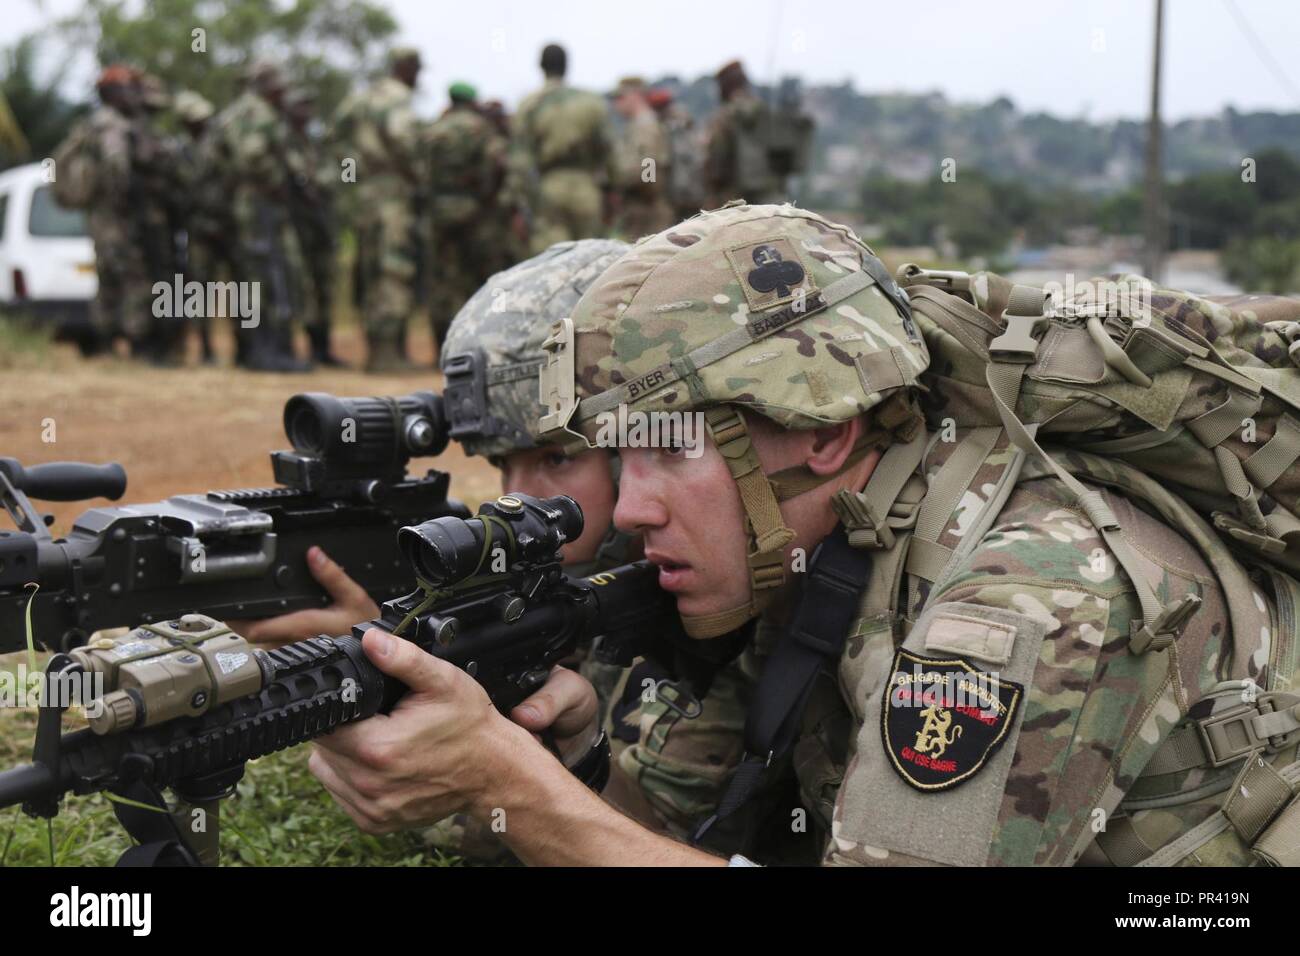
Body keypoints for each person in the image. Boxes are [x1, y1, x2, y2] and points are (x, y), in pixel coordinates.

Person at [306, 203, 1293, 867]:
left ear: (822, 429)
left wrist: (516, 793)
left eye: (669, 452)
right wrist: (574, 761)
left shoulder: (1027, 594)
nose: (632, 506)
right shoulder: (825, 546)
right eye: (619, 458)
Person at [333, 47, 426, 372]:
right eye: (416, 70)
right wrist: (418, 173)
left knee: (370, 268)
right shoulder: (398, 97)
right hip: (392, 191)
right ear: (406, 68)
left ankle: (376, 349)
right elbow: (403, 138)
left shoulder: (363, 97)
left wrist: (354, 166)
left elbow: (336, 132)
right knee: (393, 267)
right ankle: (387, 355)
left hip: (366, 192)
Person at [213, 60, 310, 371]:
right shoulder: (259, 113)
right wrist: (276, 183)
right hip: (259, 204)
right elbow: (251, 157)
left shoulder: (234, 112)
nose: (283, 90)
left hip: (245, 202)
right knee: (263, 276)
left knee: (251, 276)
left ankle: (253, 349)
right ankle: (265, 352)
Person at [54, 65, 151, 356]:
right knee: (132, 277)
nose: (133, 95)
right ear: (112, 93)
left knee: (108, 276)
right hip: (116, 215)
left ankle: (105, 342)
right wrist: (128, 194)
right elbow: (116, 164)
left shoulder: (91, 124)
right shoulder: (112, 125)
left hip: (100, 216)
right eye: (127, 89)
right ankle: (136, 342)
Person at [504, 43, 616, 256]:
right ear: (567, 66)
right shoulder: (591, 102)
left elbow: (519, 162)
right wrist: (612, 191)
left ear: (541, 66)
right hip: (587, 188)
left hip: (548, 189)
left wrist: (518, 204)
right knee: (591, 258)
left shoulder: (529, 105)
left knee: (552, 259)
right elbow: (609, 151)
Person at [424, 82, 508, 355]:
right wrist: (486, 197)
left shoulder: (434, 129)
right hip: (474, 210)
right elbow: (497, 163)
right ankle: (473, 346)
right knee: (479, 276)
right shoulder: (480, 128)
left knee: (442, 277)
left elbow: (418, 168)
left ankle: (441, 346)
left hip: (438, 209)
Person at [283, 87, 343, 367]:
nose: (306, 112)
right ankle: (310, 346)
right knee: (303, 286)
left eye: (309, 106)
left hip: (320, 222)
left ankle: (324, 348)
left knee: (325, 284)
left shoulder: (315, 144)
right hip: (297, 224)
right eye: (300, 106)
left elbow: (331, 176)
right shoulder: (285, 141)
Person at [173, 90, 230, 364]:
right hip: (198, 229)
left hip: (227, 225)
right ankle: (206, 349)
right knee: (199, 290)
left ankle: (247, 347)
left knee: (240, 287)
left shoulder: (220, 144)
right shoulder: (180, 151)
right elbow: (183, 191)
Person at [609, 78, 674, 240]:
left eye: (620, 98)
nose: (616, 104)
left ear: (635, 96)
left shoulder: (645, 126)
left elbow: (649, 172)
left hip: (647, 213)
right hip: (639, 209)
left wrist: (621, 181)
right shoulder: (637, 125)